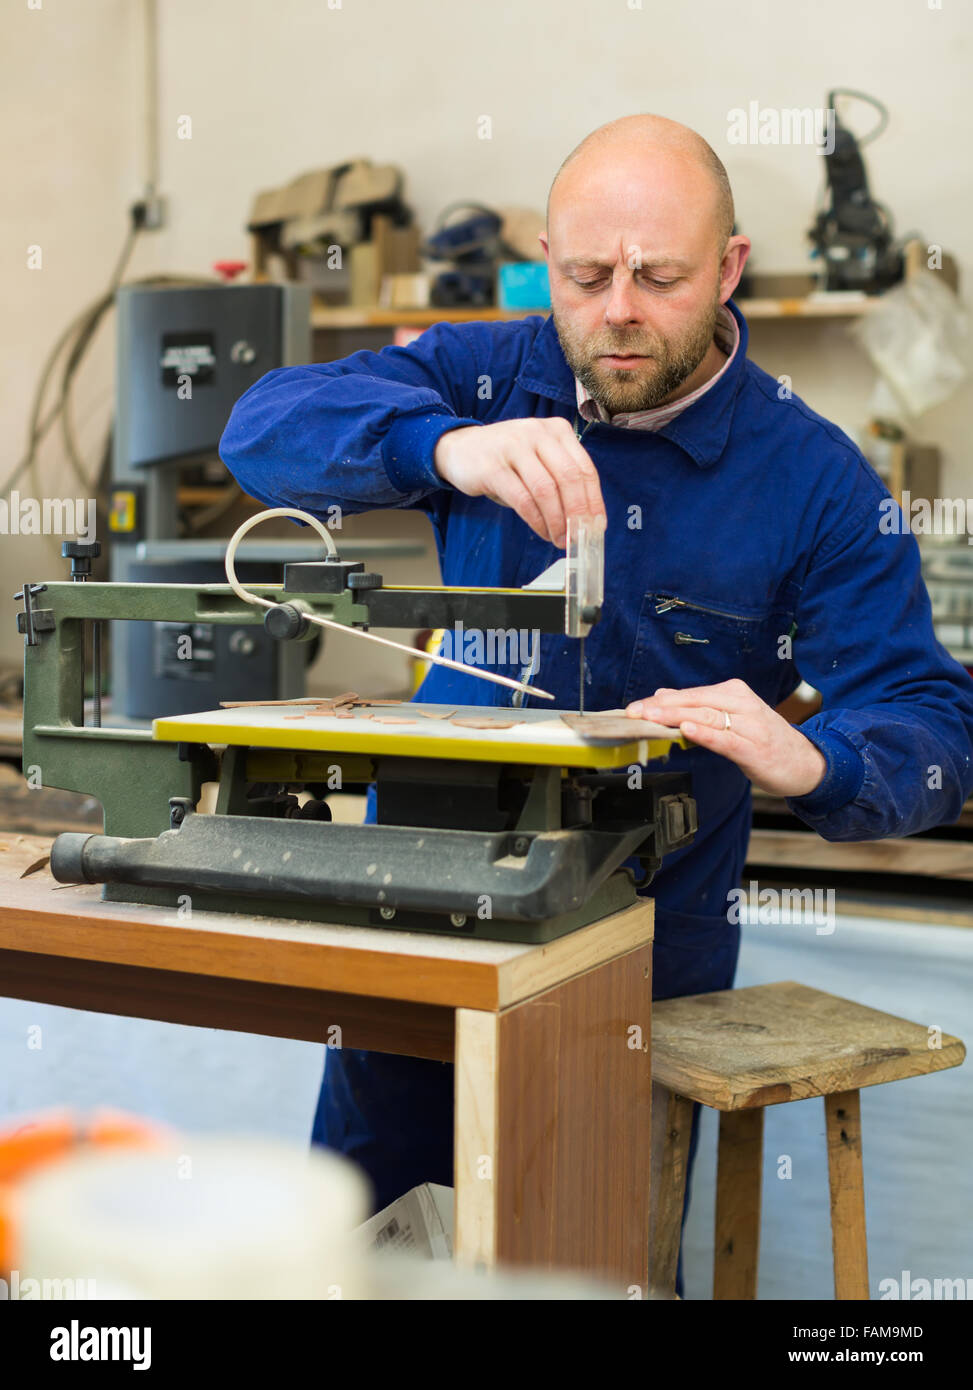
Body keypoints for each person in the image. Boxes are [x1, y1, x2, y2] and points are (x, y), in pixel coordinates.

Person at [220, 114, 973, 1286]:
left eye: (660, 277)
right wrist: (442, 448)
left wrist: (818, 762)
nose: (617, 308)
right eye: (584, 275)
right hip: (419, 913)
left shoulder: (814, 479)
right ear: (545, 260)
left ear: (728, 269)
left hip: (641, 959)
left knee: (596, 1259)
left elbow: (932, 720)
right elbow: (258, 430)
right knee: (365, 1259)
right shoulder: (486, 374)